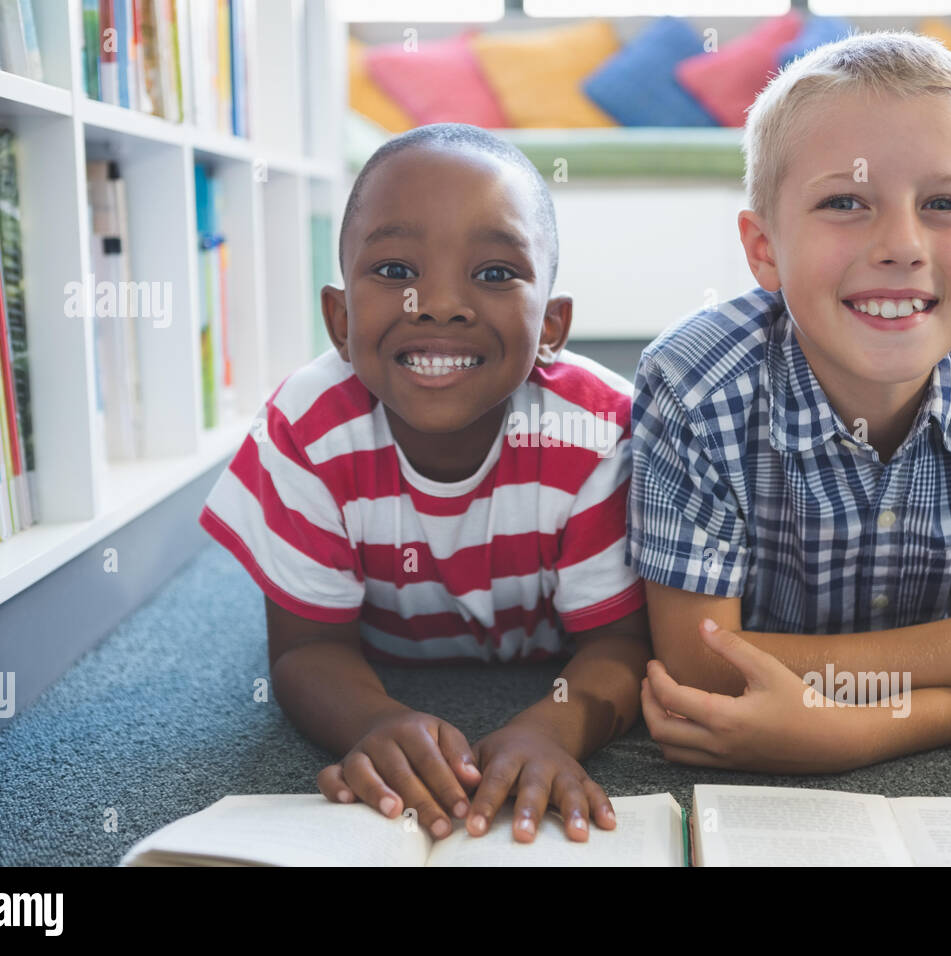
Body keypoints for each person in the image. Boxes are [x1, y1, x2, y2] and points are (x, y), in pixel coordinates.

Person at [627, 31, 951, 774]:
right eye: (845, 201)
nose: (901, 244)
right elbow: (699, 670)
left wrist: (849, 728)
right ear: (764, 249)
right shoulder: (694, 386)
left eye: (945, 203)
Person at [199, 123, 650, 842]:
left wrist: (554, 726)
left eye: (496, 273)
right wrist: (372, 721)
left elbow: (624, 643)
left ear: (554, 326)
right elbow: (304, 650)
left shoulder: (598, 430)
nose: (438, 304)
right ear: (340, 321)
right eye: (397, 272)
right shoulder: (304, 429)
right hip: (377, 650)